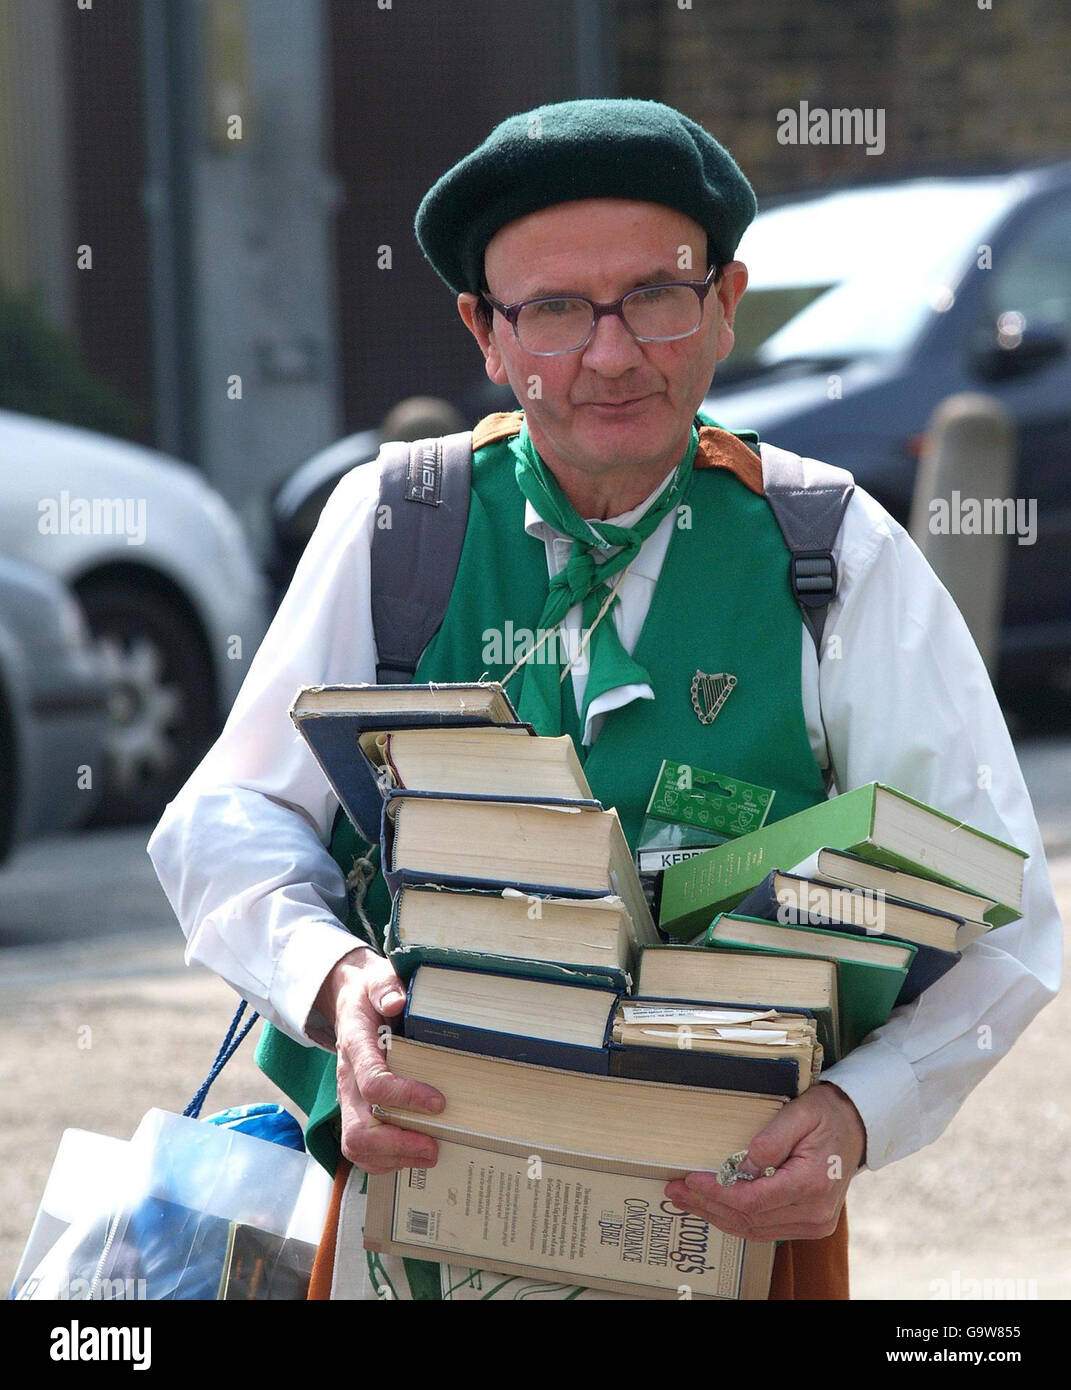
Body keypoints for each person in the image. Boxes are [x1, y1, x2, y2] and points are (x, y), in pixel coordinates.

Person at [148, 98, 1061, 1301]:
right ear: (486, 330)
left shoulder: (833, 546)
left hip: (734, 1234)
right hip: (412, 1225)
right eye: (556, 310)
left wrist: (852, 1113)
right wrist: (336, 987)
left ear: (727, 302)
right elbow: (224, 826)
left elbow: (1003, 907)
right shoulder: (396, 524)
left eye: (658, 296)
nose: (613, 352)